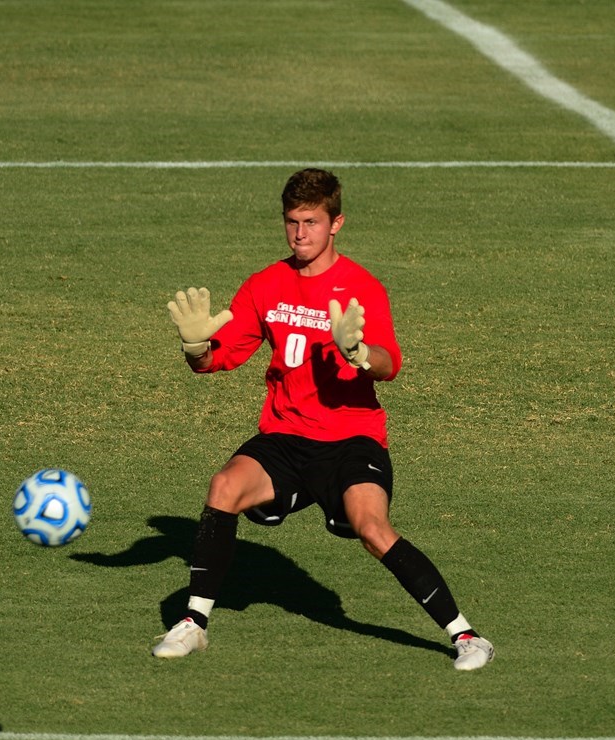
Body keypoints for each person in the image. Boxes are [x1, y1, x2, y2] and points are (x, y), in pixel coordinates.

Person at [154, 168, 494, 671]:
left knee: (372, 528)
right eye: (292, 222)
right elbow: (217, 360)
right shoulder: (265, 284)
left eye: (311, 222)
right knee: (223, 487)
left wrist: (359, 351)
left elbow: (390, 364)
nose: (299, 234)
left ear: (336, 223)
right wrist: (196, 345)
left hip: (350, 440)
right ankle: (192, 626)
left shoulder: (362, 287)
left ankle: (467, 636)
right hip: (286, 437)